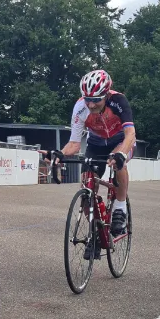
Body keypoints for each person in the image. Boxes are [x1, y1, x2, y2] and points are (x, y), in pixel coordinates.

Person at [58, 69, 135, 237]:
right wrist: (59, 154)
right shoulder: (80, 108)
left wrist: (121, 153)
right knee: (87, 188)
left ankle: (120, 208)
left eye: (95, 100)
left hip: (120, 140)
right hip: (96, 143)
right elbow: (74, 144)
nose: (91, 104)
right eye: (87, 99)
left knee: (118, 161)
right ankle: (96, 232)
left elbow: (130, 133)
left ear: (106, 94)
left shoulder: (119, 101)